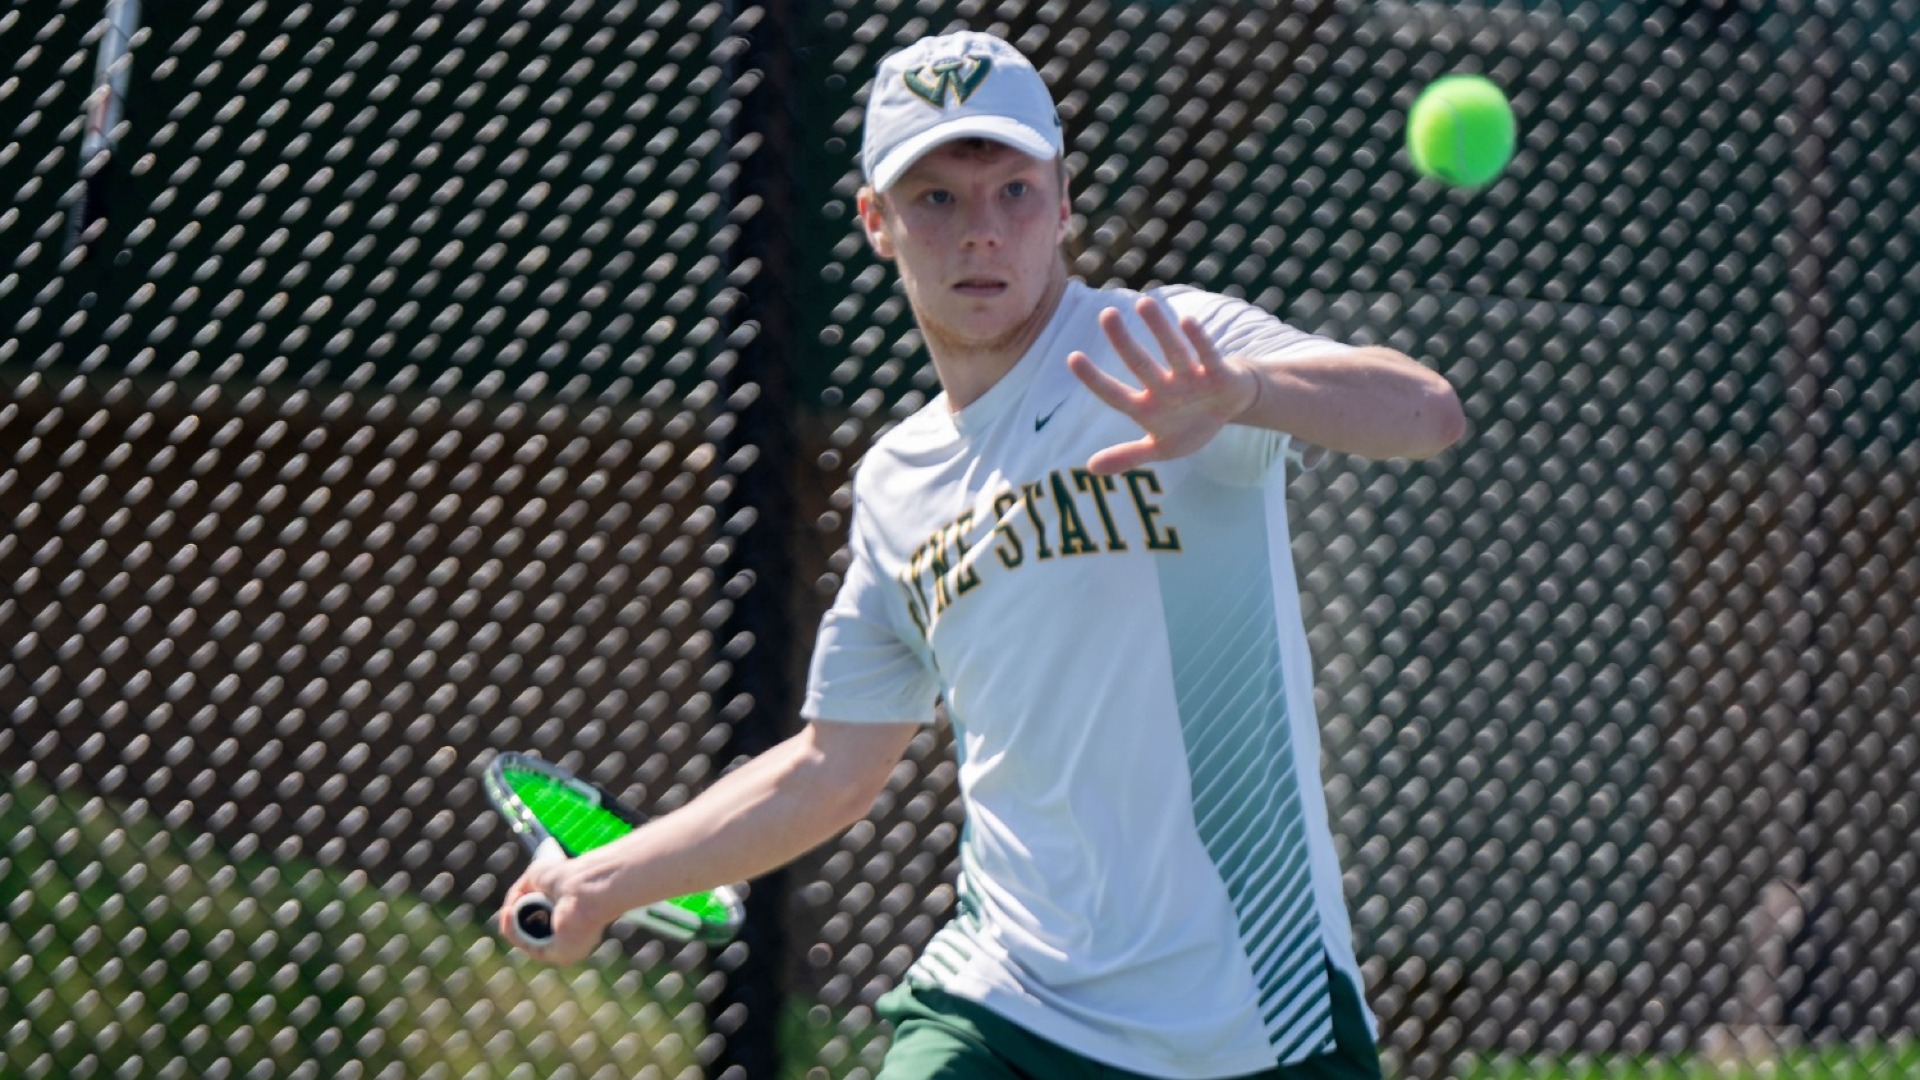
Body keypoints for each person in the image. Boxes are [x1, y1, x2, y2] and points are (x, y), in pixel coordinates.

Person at [501, 28, 1465, 1080]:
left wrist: (1250, 392)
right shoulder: (896, 483)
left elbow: (1426, 411)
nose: (982, 234)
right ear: (876, 221)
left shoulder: (1170, 343)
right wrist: (608, 879)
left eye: (1013, 191)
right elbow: (830, 768)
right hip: (1006, 1008)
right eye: (938, 199)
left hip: (1255, 1022)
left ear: (1063, 204)